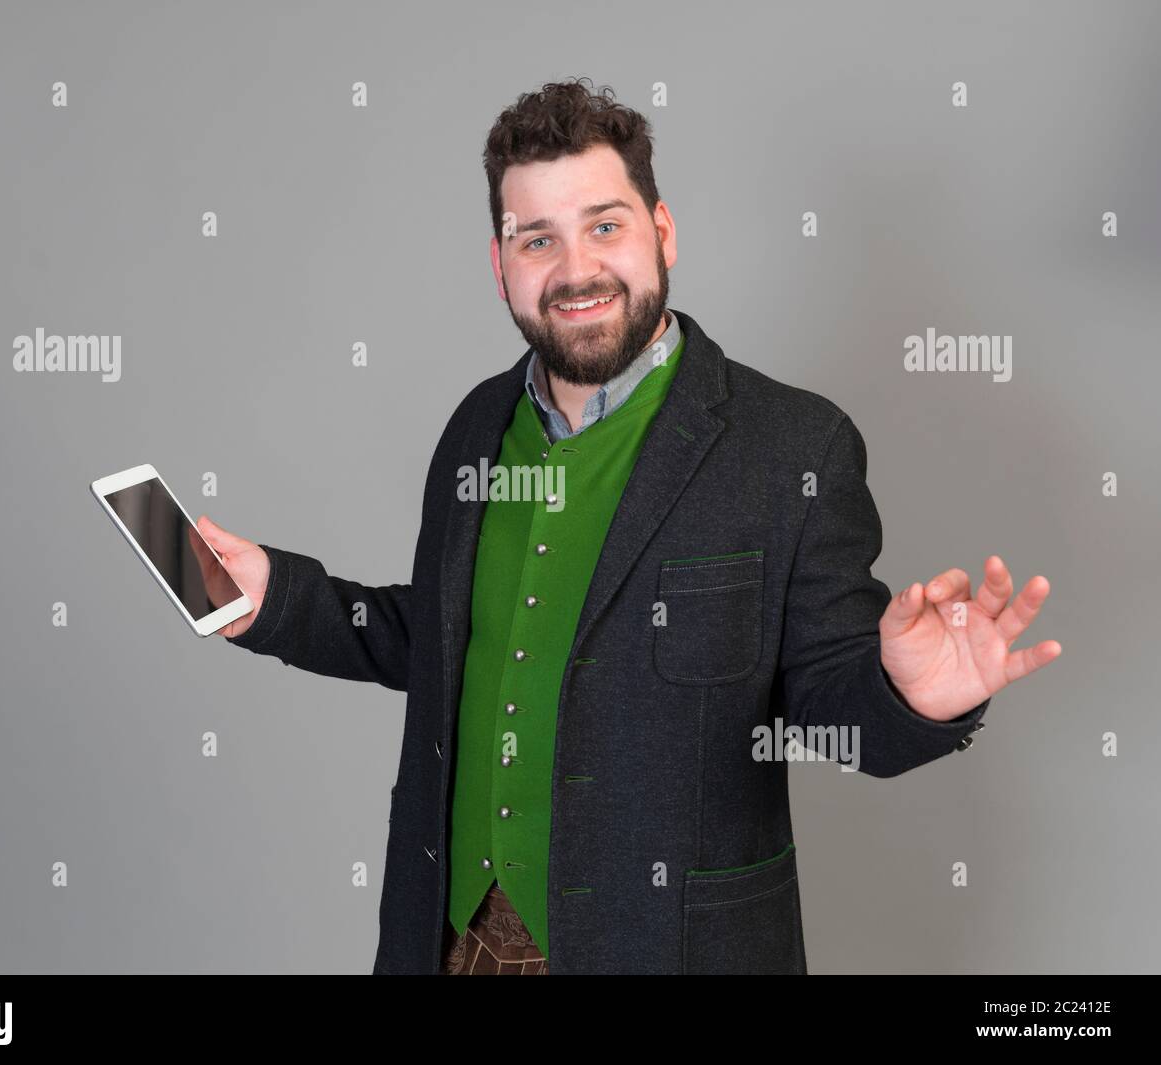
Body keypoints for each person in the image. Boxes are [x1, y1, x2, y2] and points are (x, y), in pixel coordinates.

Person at [194, 78, 1061, 975]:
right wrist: (276, 598)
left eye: (605, 226)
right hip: (448, 948)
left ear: (662, 232)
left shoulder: (792, 445)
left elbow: (830, 699)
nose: (576, 270)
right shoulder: (476, 426)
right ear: (501, 264)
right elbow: (453, 636)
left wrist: (910, 692)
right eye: (539, 239)